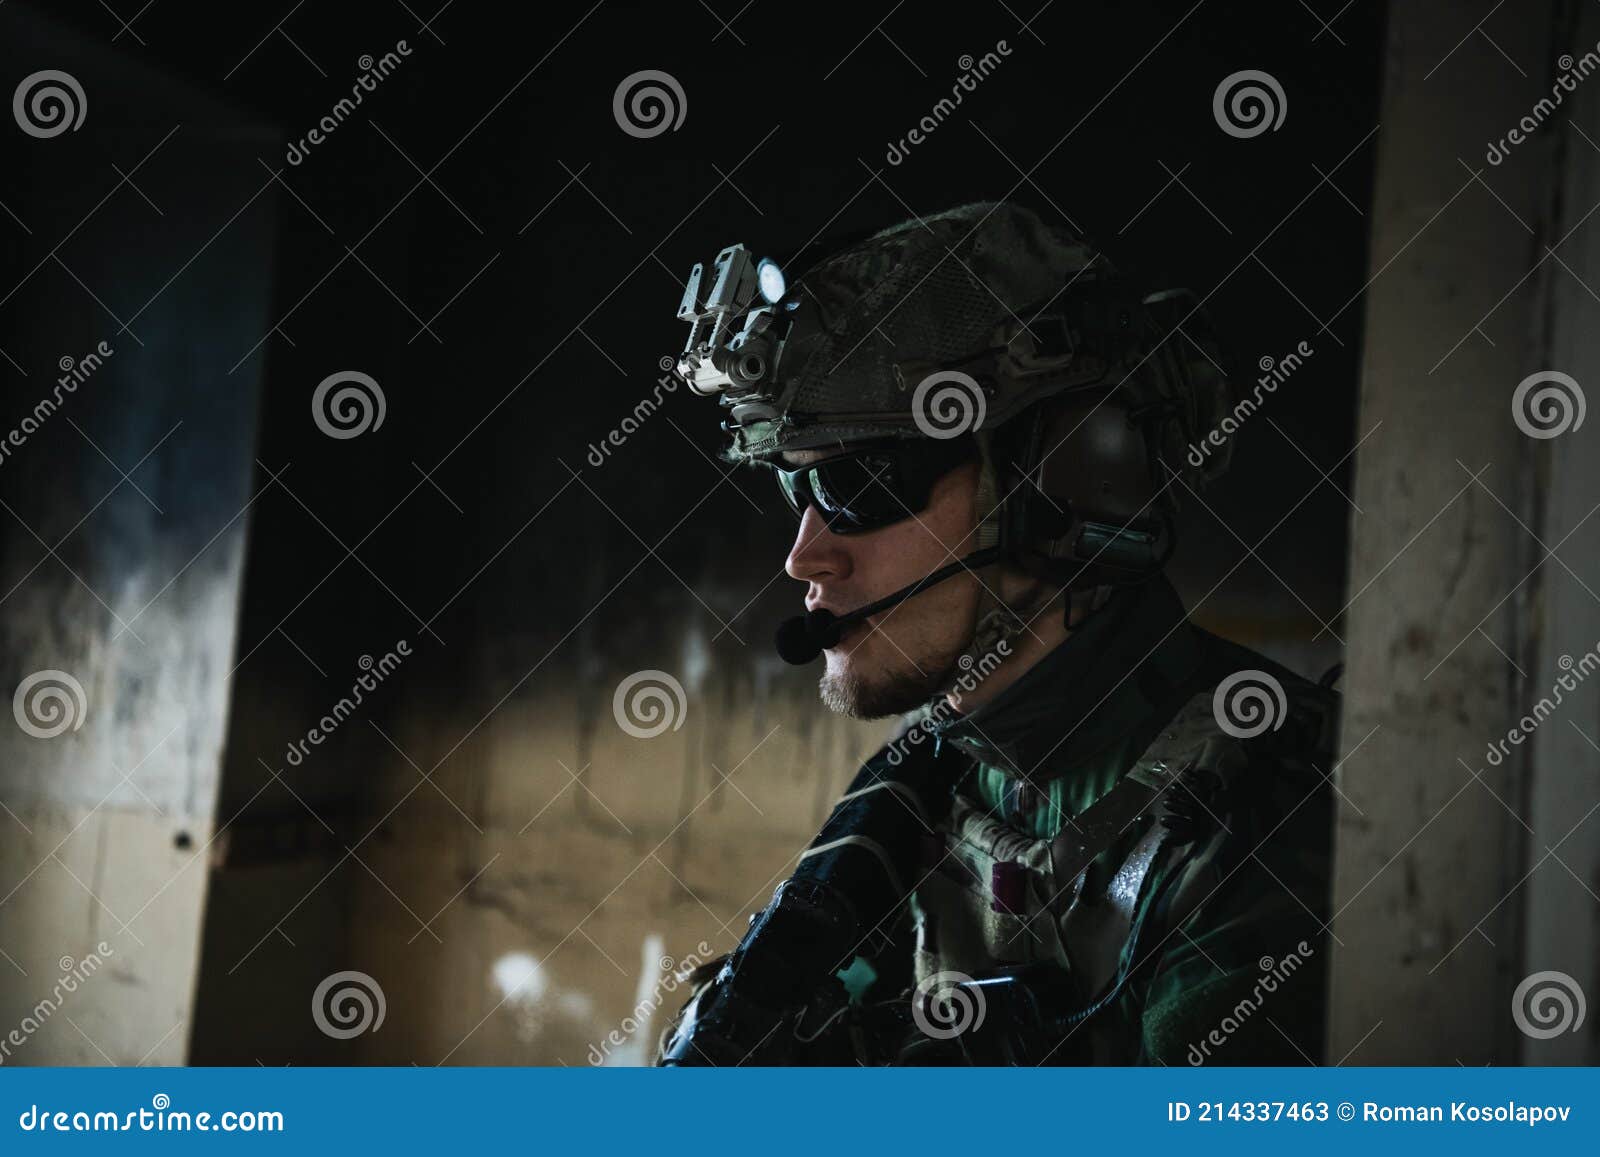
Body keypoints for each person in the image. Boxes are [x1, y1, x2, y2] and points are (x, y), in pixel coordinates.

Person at [656, 202, 1337, 1066]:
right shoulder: (931, 791)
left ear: (1067, 478)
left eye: (862, 483)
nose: (807, 557)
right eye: (801, 493)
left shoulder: (1271, 816)